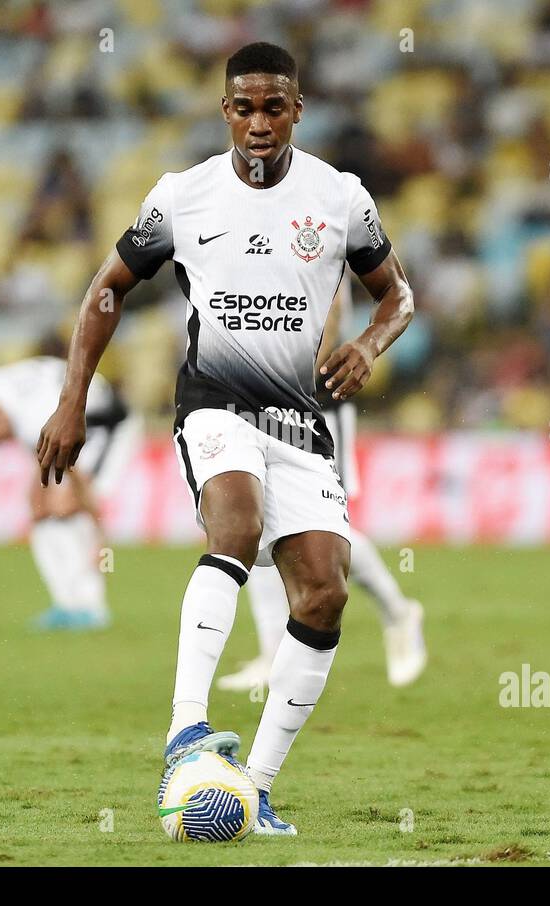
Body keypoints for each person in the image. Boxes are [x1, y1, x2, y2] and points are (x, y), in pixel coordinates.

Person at [34, 42, 414, 835]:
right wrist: (72, 401)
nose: (259, 122)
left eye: (275, 106)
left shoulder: (341, 198)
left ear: (298, 111)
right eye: (244, 107)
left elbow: (398, 296)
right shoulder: (183, 196)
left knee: (326, 592)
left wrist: (369, 345)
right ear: (225, 112)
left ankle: (257, 789)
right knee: (234, 525)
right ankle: (184, 728)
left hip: (301, 418)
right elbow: (107, 290)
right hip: (214, 403)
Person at [218, 277, 425, 692]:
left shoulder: (314, 229)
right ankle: (272, 651)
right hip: (259, 400)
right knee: (257, 519)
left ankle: (399, 612)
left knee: (328, 528)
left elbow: (328, 318)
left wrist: (293, 384)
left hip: (314, 401)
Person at [0, 354, 135, 630]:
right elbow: (39, 456)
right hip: (68, 420)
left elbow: (76, 478)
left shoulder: (34, 416)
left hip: (107, 427)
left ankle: (92, 608)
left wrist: (99, 533)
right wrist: (39, 498)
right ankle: (66, 604)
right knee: (41, 512)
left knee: (68, 507)